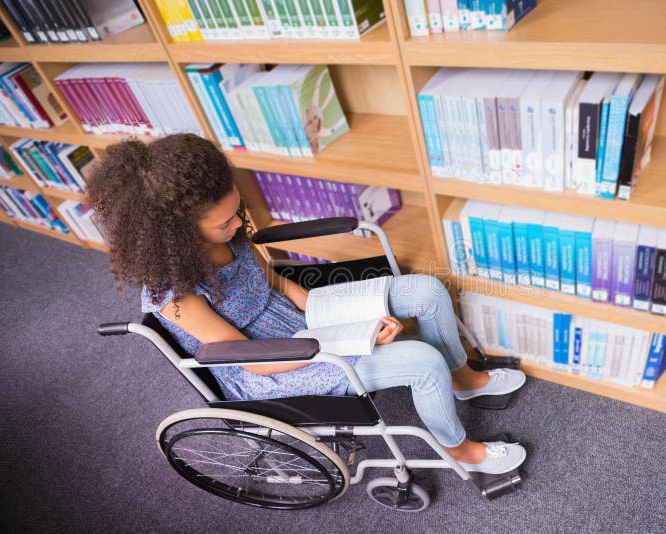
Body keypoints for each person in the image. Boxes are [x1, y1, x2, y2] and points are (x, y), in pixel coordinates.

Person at [87, 133, 528, 475]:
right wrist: (357, 336)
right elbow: (255, 361)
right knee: (422, 361)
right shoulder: (175, 294)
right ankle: (460, 450)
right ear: (179, 232)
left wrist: (315, 300)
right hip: (272, 366)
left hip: (295, 318)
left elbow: (268, 278)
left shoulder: (226, 229)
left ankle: (463, 379)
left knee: (426, 292)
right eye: (225, 222)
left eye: (237, 210)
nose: (237, 223)